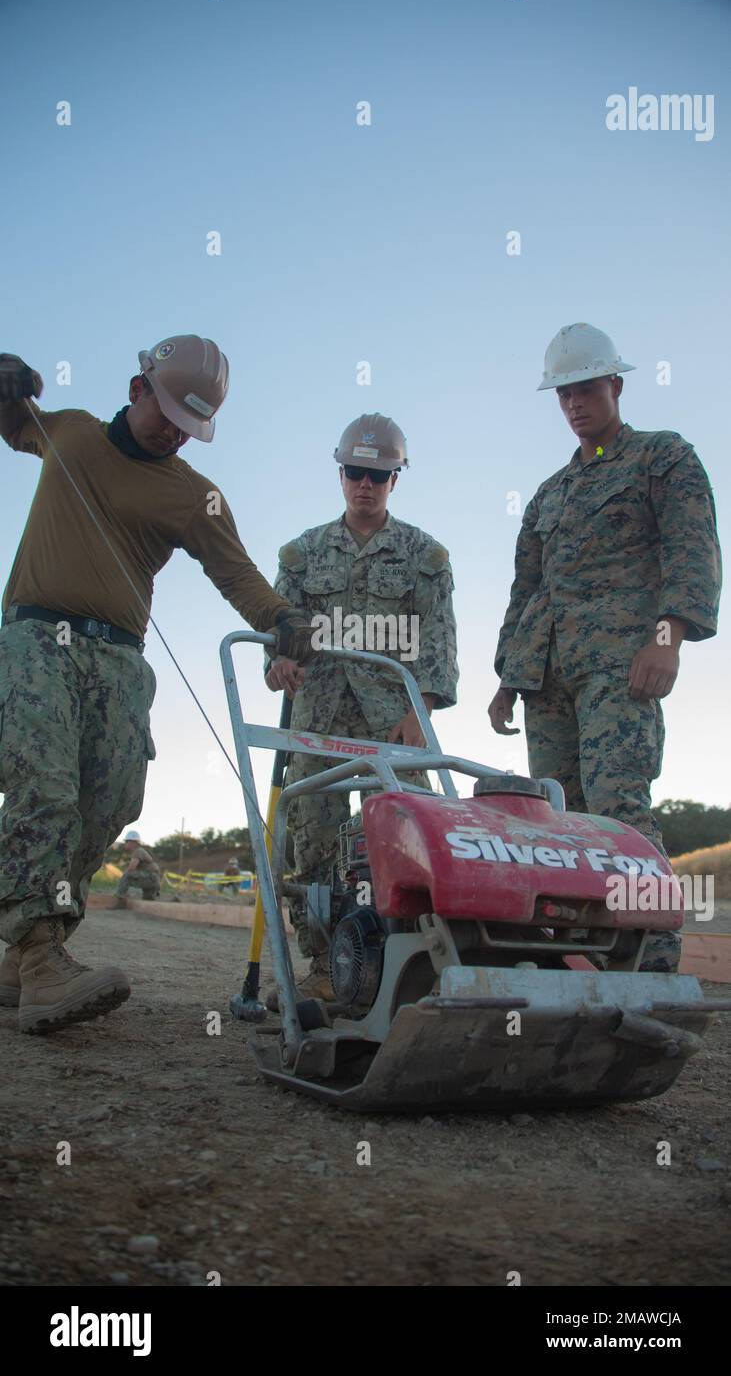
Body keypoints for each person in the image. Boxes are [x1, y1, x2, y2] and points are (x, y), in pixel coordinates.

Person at [0, 340, 315, 1033]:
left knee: (110, 798)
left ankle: (24, 953)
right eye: (167, 412)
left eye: (189, 423)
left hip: (118, 658)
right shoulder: (71, 432)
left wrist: (282, 616)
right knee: (43, 785)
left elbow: (237, 573)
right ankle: (41, 956)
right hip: (35, 637)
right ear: (137, 386)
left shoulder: (191, 495)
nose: (173, 431)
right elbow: (7, 413)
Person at [488, 323, 722, 970]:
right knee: (554, 827)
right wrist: (508, 677)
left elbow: (689, 549)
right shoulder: (549, 492)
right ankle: (577, 960)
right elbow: (526, 588)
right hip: (547, 679)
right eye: (562, 394)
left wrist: (666, 638)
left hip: (620, 667)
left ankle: (649, 959)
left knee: (618, 812)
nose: (573, 404)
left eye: (585, 388)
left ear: (614, 385)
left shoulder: (661, 457)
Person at [265, 412, 458, 1005]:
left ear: (395, 479)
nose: (364, 485)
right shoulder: (302, 553)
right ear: (340, 473)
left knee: (407, 836)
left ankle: (411, 965)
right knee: (313, 839)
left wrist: (422, 704)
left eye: (377, 475)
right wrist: (279, 663)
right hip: (318, 718)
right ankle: (324, 968)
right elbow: (281, 628)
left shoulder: (425, 555)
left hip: (391, 721)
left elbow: (440, 639)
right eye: (354, 472)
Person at [116, 831, 161, 902]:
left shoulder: (138, 852)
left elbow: (131, 869)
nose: (125, 844)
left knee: (126, 876)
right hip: (154, 880)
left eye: (127, 842)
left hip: (151, 878)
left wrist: (122, 877)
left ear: (133, 843)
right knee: (148, 901)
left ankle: (120, 899)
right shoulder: (139, 852)